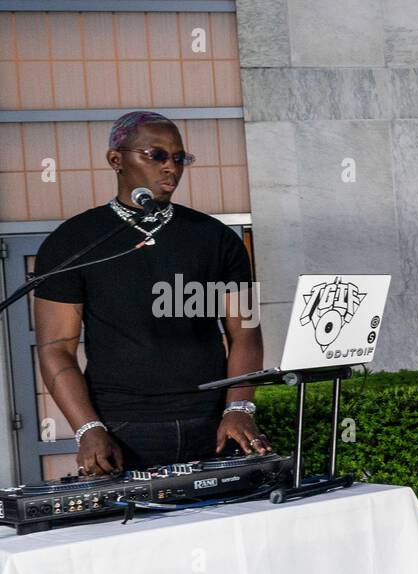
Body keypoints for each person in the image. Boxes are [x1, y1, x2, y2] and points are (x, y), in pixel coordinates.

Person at [32, 109, 273, 475]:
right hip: (123, 430)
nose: (170, 168)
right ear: (116, 159)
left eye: (179, 158)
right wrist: (88, 428)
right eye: (156, 155)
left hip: (213, 424)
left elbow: (246, 333)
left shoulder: (216, 238)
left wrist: (238, 409)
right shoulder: (73, 242)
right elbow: (55, 348)